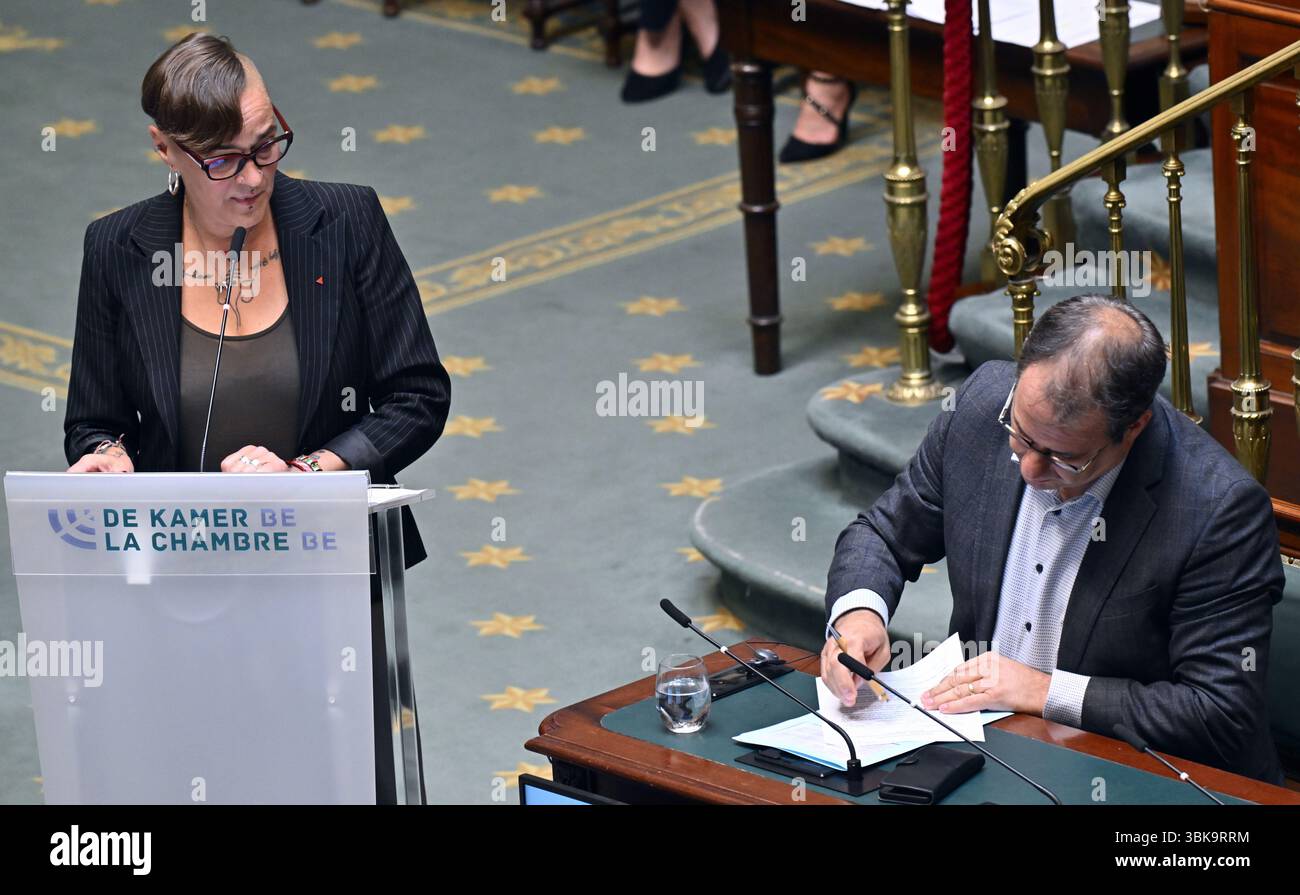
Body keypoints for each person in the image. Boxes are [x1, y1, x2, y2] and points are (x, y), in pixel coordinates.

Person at [61, 32, 452, 802]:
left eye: (266, 143)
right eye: (224, 161)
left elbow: (417, 394)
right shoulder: (117, 249)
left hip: (328, 576)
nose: (253, 176)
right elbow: (92, 419)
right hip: (182, 587)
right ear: (164, 150)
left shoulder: (346, 221)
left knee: (345, 777)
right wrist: (108, 456)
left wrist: (310, 471)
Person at [821, 294, 1287, 784]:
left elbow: (1218, 713)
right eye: (1021, 436)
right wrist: (858, 613)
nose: (1029, 469)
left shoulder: (1217, 509)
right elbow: (883, 533)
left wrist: (1044, 691)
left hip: (1140, 780)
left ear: (1134, 427)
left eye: (1066, 458)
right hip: (982, 749)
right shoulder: (982, 405)